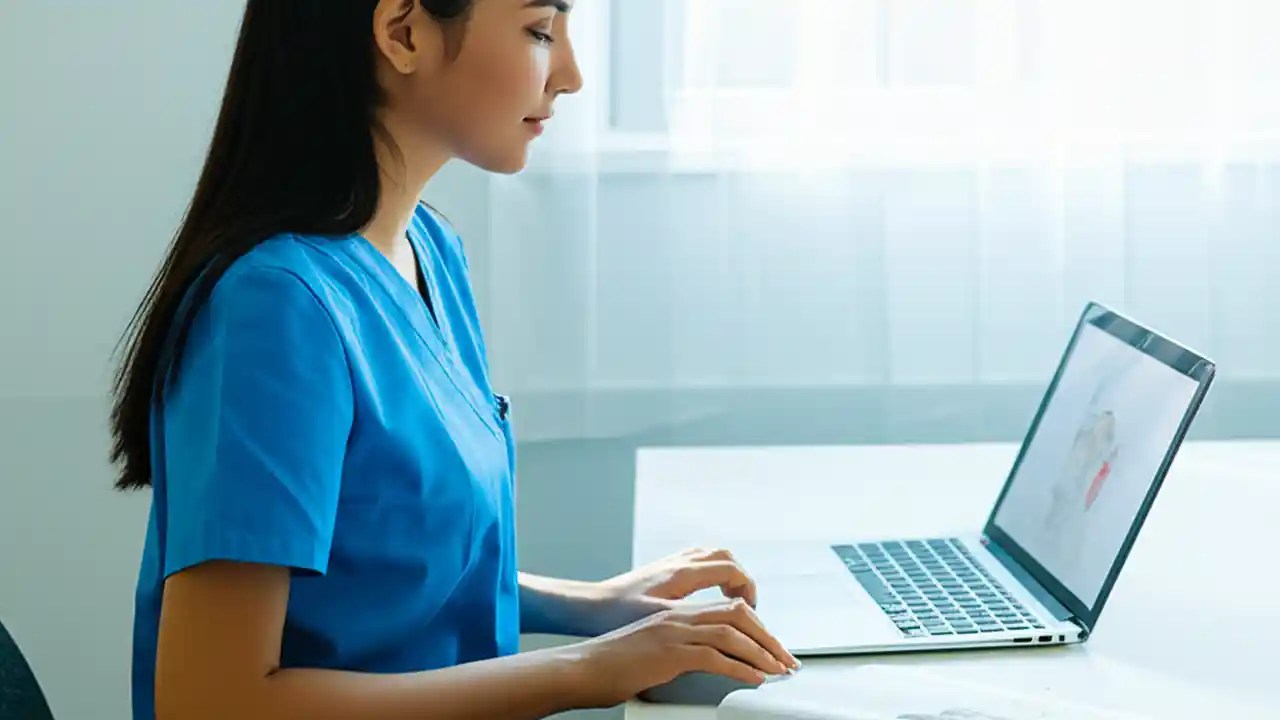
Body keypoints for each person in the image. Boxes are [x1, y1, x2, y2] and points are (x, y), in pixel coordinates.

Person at [108, 2, 798, 718]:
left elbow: (387, 564)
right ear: (403, 32)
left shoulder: (427, 249)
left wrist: (593, 607)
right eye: (539, 31)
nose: (572, 76)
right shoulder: (274, 308)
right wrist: (590, 668)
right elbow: (211, 700)